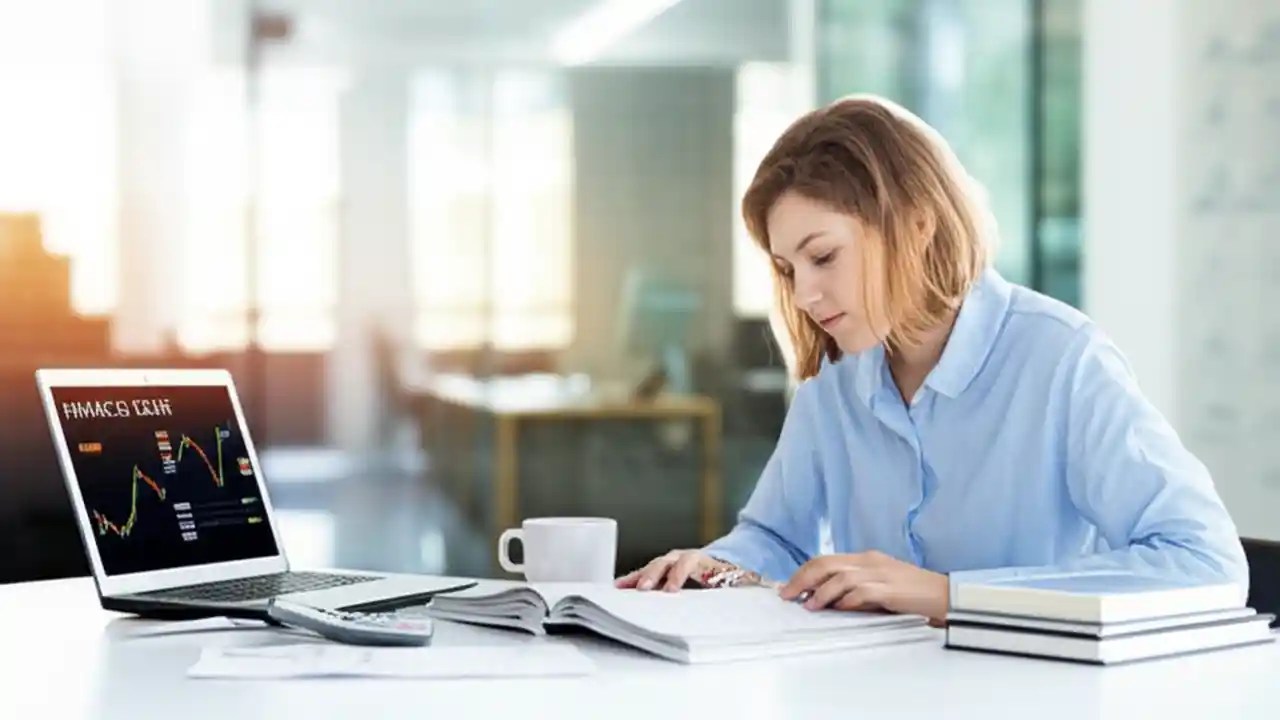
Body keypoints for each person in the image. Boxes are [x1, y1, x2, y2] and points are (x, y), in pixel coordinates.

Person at [614, 95, 1248, 624]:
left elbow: (1203, 560)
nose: (805, 295)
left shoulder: (1061, 360)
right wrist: (722, 565)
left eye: (824, 257)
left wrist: (948, 596)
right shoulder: (835, 380)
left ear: (916, 225)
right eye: (789, 269)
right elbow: (777, 537)